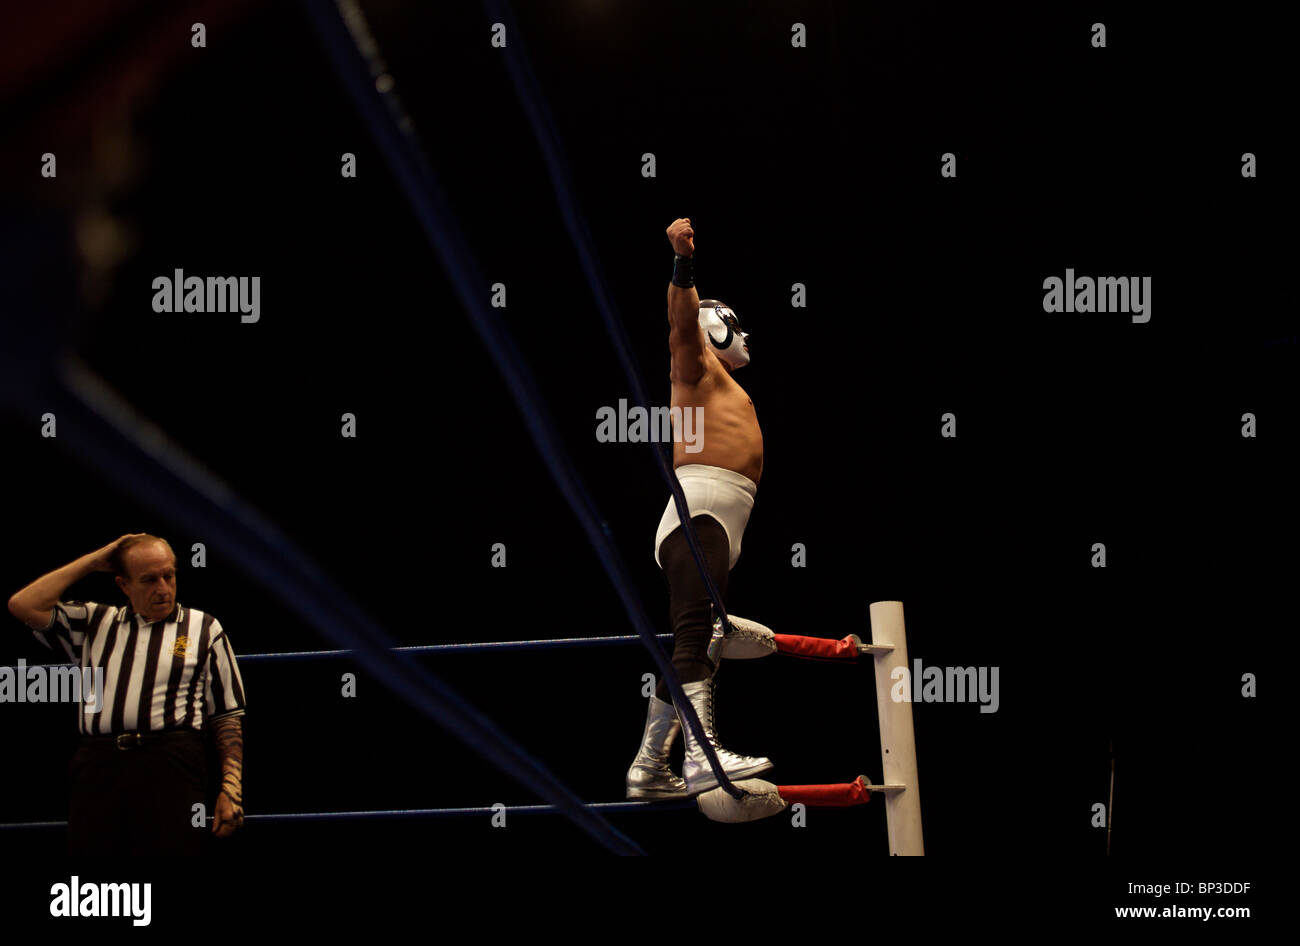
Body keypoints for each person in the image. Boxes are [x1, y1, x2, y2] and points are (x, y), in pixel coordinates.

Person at [626, 217, 773, 798]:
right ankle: (701, 760)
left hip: (715, 518)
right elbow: (679, 325)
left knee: (700, 639)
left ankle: (648, 767)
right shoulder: (696, 366)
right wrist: (683, 261)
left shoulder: (724, 384)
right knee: (696, 636)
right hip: (702, 512)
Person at [7, 533, 246, 855]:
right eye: (149, 579)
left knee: (173, 861)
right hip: (100, 765)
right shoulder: (94, 621)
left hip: (171, 762)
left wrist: (231, 790)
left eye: (169, 575)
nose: (162, 588)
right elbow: (22, 604)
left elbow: (227, 717)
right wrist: (93, 561)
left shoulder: (203, 628)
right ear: (123, 584)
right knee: (95, 871)